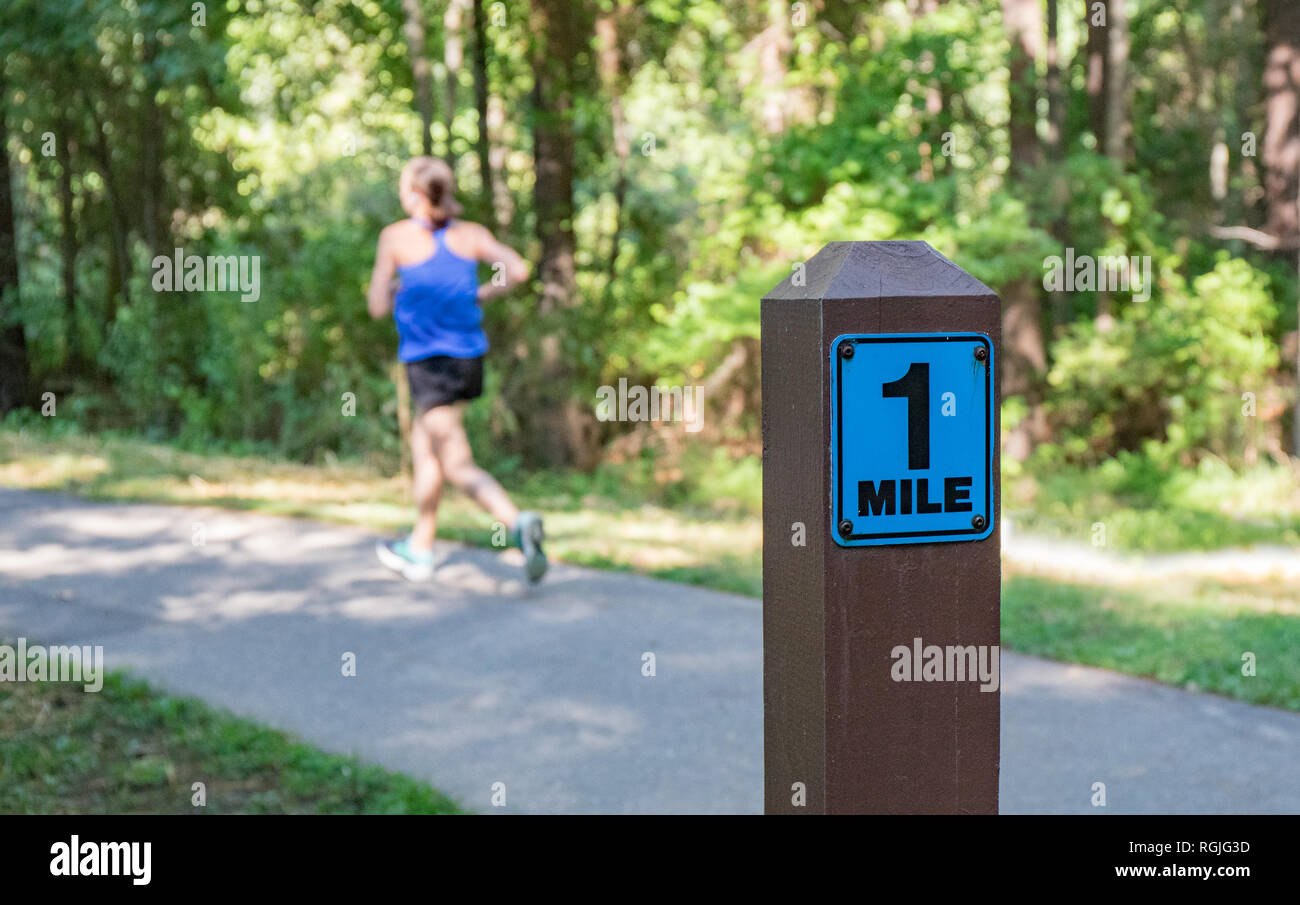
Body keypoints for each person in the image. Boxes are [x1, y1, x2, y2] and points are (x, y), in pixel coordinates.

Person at [367, 156, 546, 584]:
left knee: (455, 462)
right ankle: (421, 549)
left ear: (412, 193)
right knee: (426, 452)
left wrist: (395, 288)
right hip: (468, 360)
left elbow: (376, 307)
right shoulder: (470, 236)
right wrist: (482, 292)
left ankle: (516, 524)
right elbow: (517, 269)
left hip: (430, 364)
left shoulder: (396, 238)